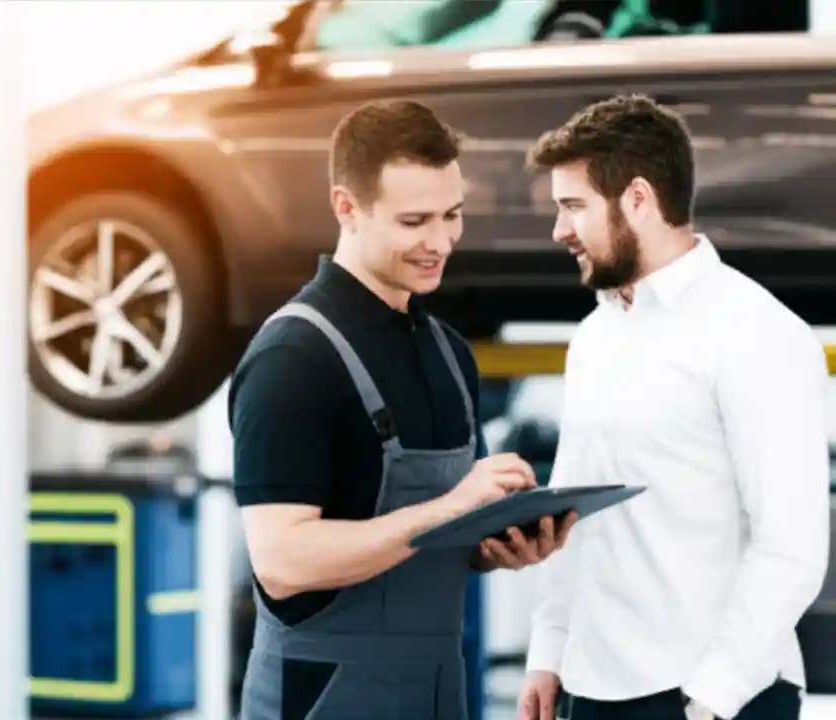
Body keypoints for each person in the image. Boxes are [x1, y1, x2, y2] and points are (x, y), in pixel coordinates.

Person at [228, 98, 576, 720]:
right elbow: (282, 563)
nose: (439, 242)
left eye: (452, 215)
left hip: (439, 688)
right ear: (346, 208)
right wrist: (451, 508)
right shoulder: (293, 357)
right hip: (323, 694)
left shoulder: (449, 356)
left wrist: (498, 543)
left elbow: (438, 539)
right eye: (414, 220)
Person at [517, 94, 831, 720]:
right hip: (592, 689)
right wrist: (548, 652)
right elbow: (573, 511)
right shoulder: (595, 336)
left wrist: (711, 697)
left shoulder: (757, 332)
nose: (558, 230)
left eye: (573, 206)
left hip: (712, 695)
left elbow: (791, 546)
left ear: (638, 198)